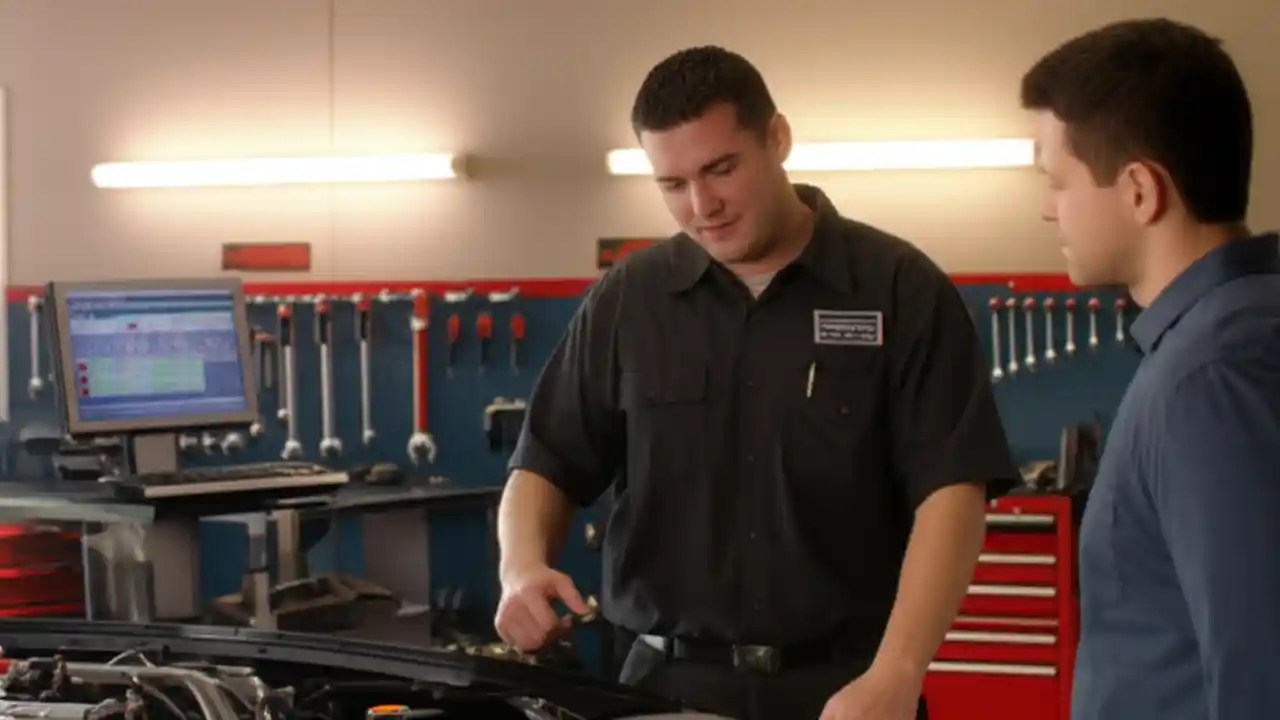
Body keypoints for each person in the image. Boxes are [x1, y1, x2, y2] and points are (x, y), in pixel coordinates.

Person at [496, 45, 1018, 720]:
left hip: (847, 690)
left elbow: (952, 492)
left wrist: (899, 671)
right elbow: (545, 461)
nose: (702, 205)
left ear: (777, 138)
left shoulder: (899, 289)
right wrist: (520, 567)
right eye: (672, 184)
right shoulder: (630, 299)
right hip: (665, 687)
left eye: (721, 169)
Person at [1021, 18, 1280, 720]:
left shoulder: (1212, 378)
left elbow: (1261, 670)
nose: (1046, 210)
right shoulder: (1222, 336)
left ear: (1139, 191)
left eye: (1058, 182)